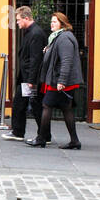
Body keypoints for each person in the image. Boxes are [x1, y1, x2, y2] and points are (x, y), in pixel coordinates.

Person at [26, 12, 83, 149]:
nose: (52, 24)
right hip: (58, 79)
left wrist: (62, 81)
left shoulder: (64, 38)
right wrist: (49, 50)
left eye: (55, 22)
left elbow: (67, 61)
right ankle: (74, 141)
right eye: (51, 21)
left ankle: (41, 138)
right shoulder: (59, 37)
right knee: (66, 108)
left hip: (59, 80)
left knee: (46, 106)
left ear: (62, 24)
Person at [2, 6, 47, 141]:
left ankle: (41, 134)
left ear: (26, 18)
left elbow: (35, 59)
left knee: (35, 105)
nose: (17, 22)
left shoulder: (35, 34)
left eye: (18, 20)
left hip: (30, 78)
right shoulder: (32, 32)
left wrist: (31, 81)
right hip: (27, 76)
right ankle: (19, 132)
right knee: (21, 104)